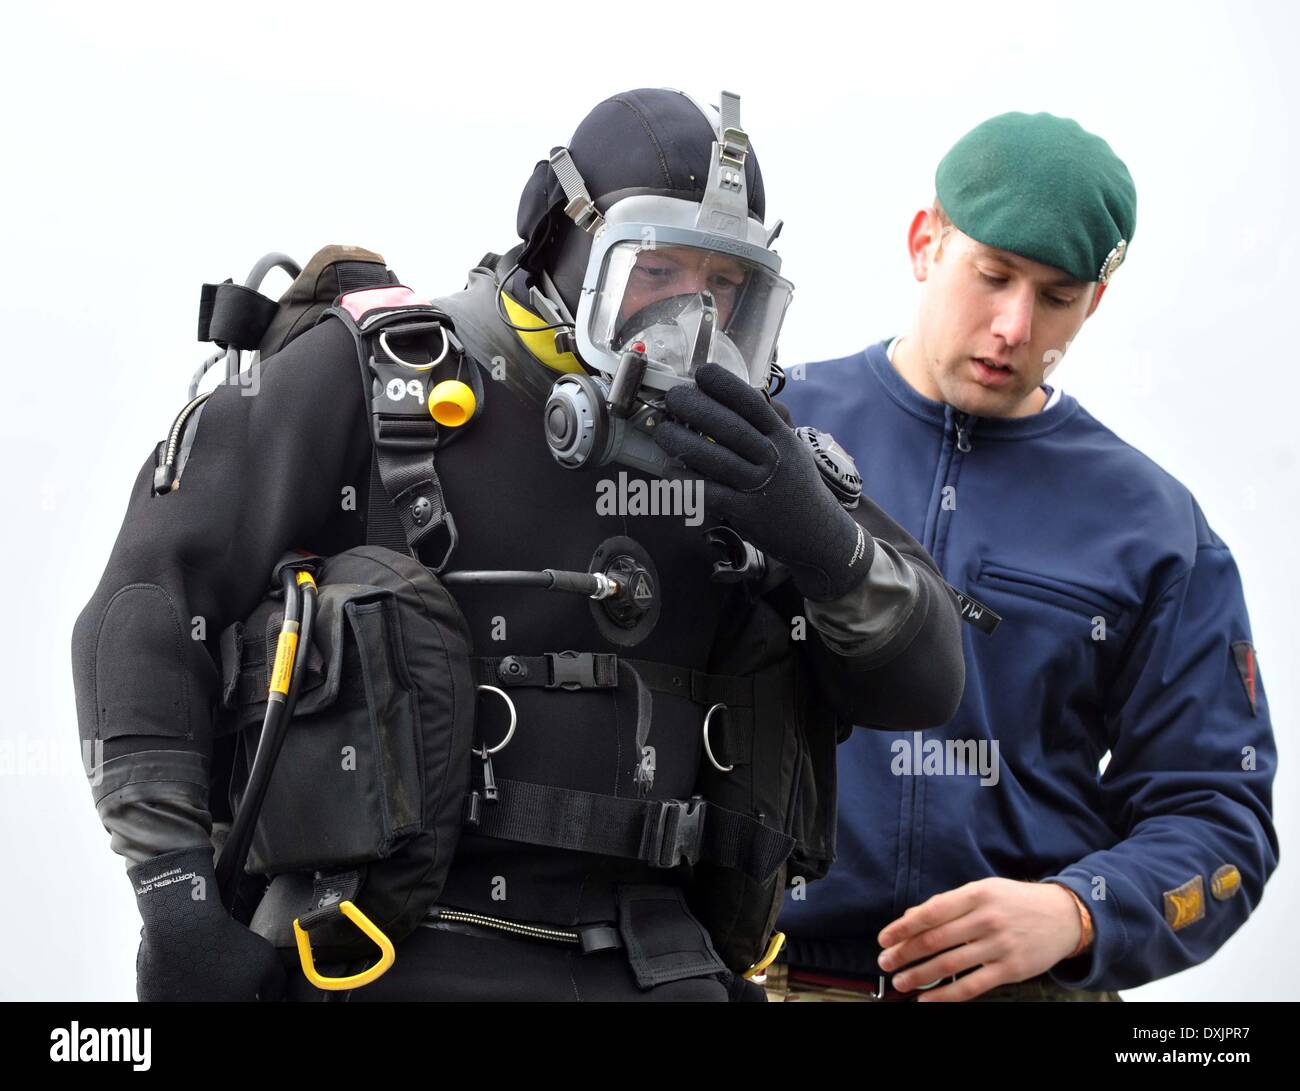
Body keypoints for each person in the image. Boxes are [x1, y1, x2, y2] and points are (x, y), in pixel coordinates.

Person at [70, 88, 966, 1002]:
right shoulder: (380, 381)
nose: (687, 322)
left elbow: (927, 680)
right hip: (381, 950)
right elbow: (142, 613)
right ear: (559, 242)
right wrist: (174, 897)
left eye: (724, 287)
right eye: (656, 274)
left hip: (662, 963)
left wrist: (819, 540)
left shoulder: (750, 453)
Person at [768, 111, 1279, 1002]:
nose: (1013, 324)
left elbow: (1221, 817)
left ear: (1095, 302)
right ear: (926, 242)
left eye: (1055, 296)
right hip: (755, 978)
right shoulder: (771, 434)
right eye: (992, 274)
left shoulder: (1155, 525)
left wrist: (1079, 911)